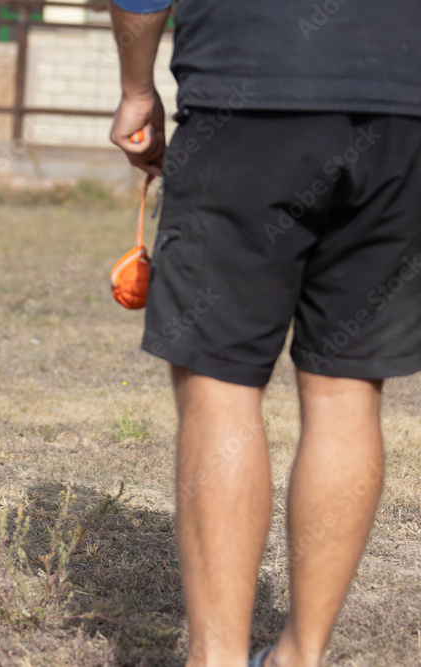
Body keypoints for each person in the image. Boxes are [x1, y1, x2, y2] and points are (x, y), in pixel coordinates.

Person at [106, 2, 421, 666]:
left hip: (248, 94)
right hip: (404, 105)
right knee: (347, 392)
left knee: (220, 385)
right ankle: (300, 656)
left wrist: (137, 89)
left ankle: (217, 659)